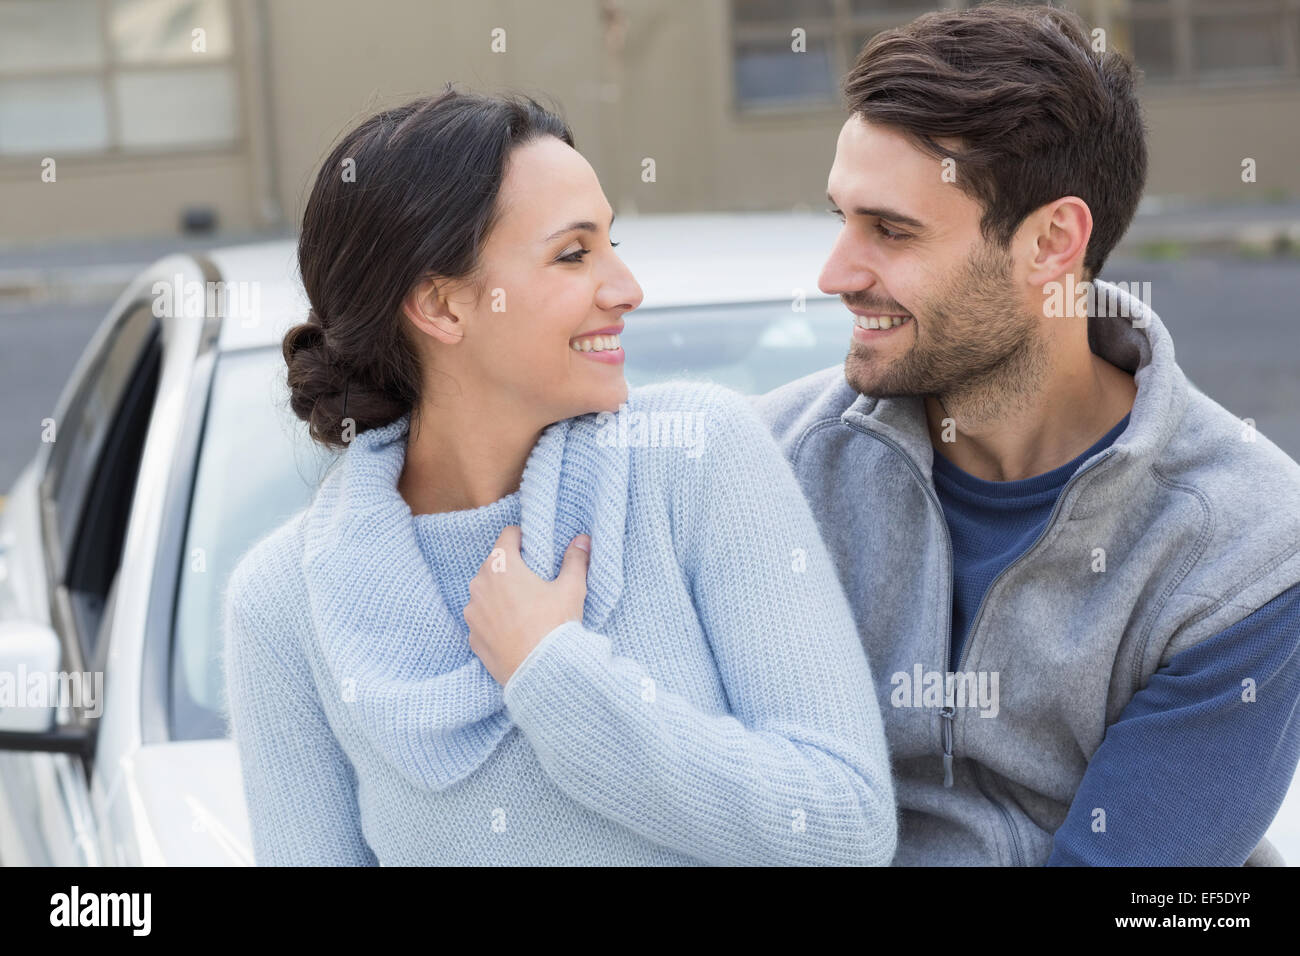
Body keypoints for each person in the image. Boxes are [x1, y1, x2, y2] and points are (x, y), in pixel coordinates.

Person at [220, 86, 897, 865]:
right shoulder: (285, 603)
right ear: (441, 306)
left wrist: (558, 678)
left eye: (613, 244)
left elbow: (846, 826)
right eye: (574, 254)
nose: (625, 290)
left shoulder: (696, 459)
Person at [753, 2, 1300, 866]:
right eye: (842, 218)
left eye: (891, 230)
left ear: (1051, 242)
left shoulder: (1246, 547)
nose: (836, 275)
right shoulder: (765, 470)